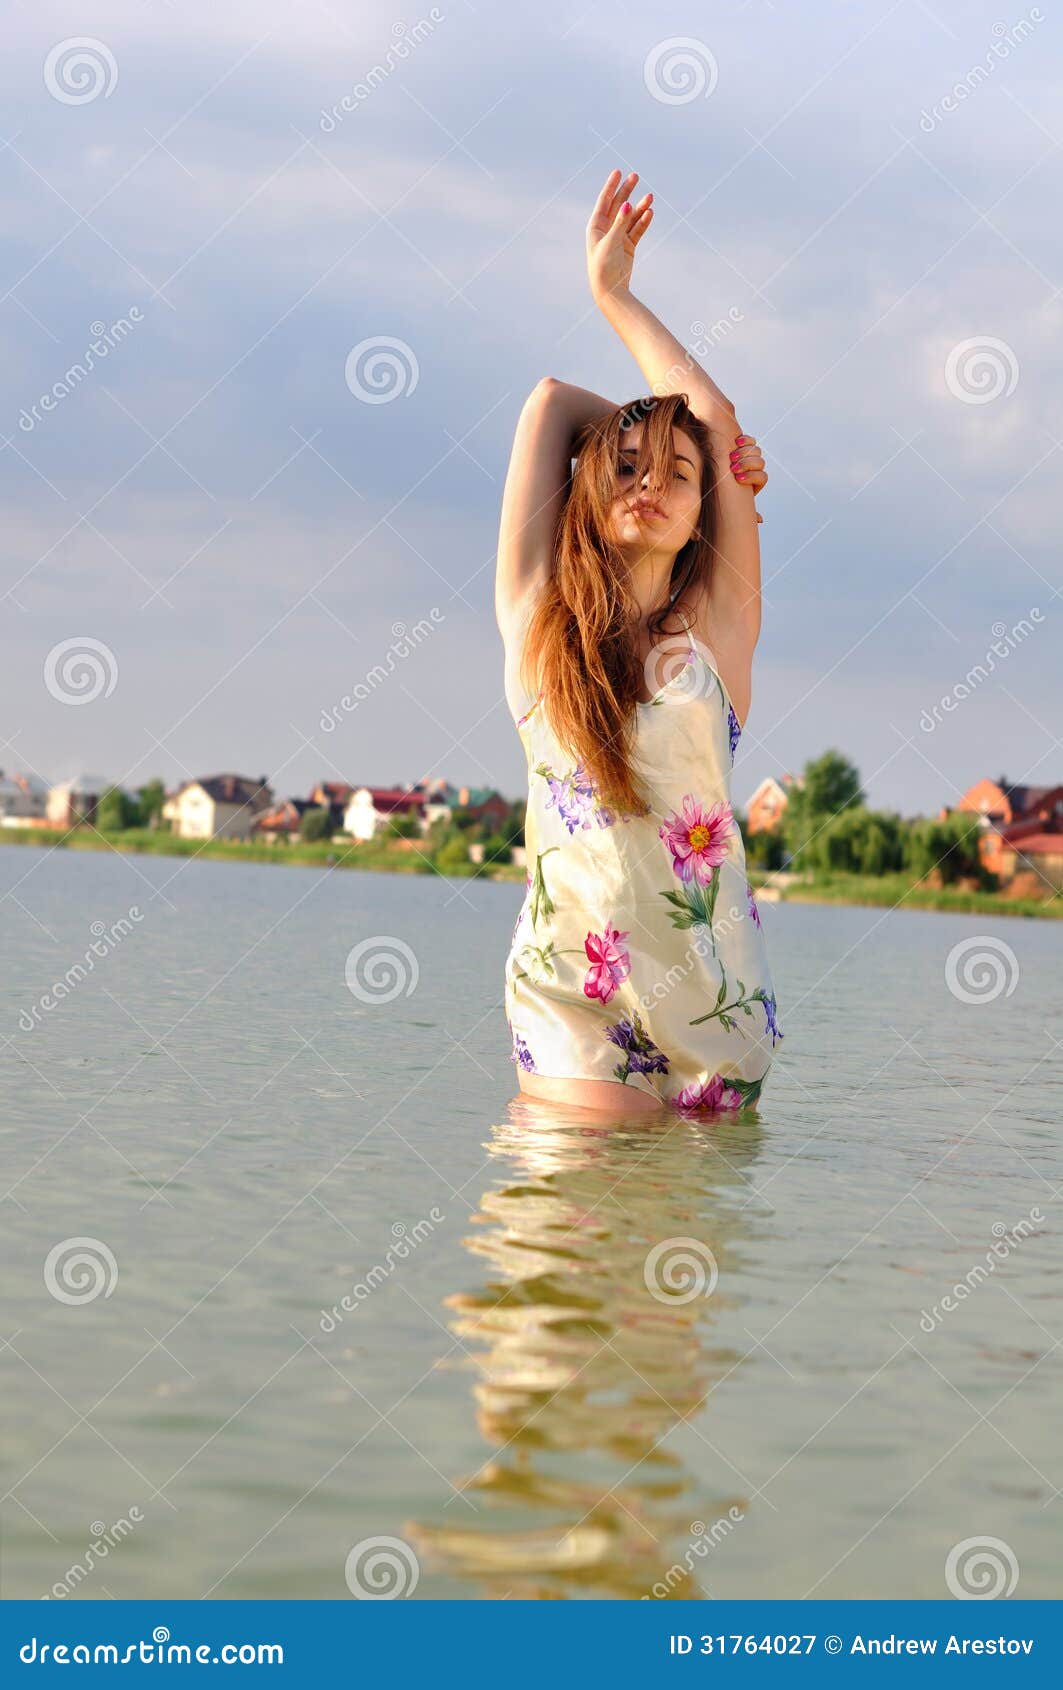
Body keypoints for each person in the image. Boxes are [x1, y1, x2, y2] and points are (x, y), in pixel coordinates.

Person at [495, 168, 783, 1118]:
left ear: (707, 510)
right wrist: (629, 426)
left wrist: (622, 304)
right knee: (569, 1201)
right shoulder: (536, 616)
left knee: (682, 1211)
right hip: (571, 996)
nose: (648, 484)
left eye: (677, 476)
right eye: (625, 468)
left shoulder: (718, 630)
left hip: (712, 1007)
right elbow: (548, 403)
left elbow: (712, 422)